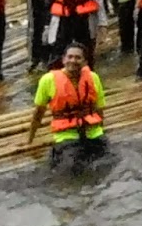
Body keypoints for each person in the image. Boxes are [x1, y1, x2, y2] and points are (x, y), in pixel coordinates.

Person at [26, 43, 109, 171]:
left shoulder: (93, 78)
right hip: (66, 134)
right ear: (63, 59)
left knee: (108, 162)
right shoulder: (48, 80)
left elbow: (99, 109)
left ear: (85, 61)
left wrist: (101, 131)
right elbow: (38, 113)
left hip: (92, 131)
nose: (73, 61)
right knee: (72, 168)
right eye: (69, 57)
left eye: (77, 58)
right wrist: (30, 140)